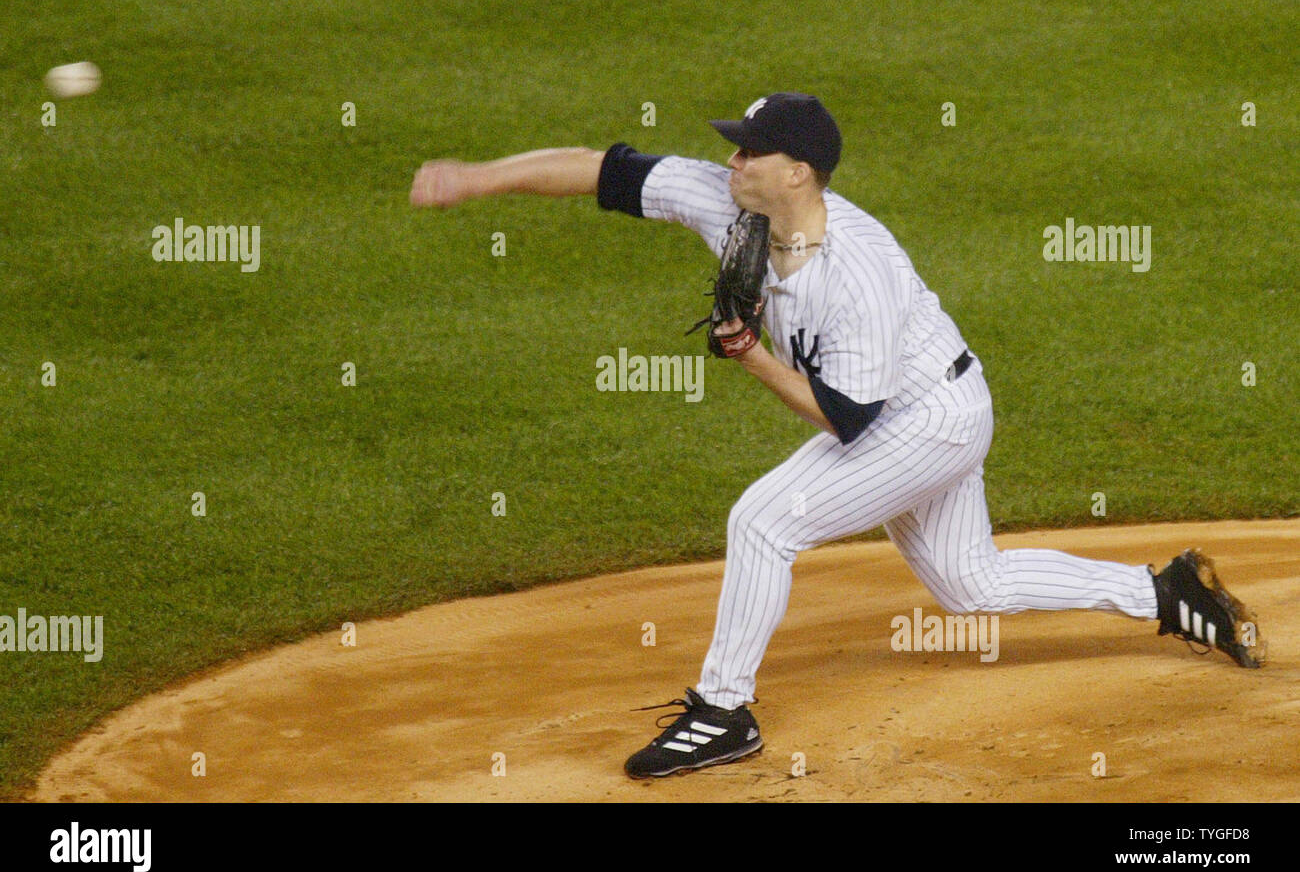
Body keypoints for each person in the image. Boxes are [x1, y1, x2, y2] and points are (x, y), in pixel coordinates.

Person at [410, 92, 1265, 780]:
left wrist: (745, 353)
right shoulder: (729, 198)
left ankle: (722, 710)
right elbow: (603, 169)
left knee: (763, 518)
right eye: (735, 146)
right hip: (919, 407)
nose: (732, 160)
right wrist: (477, 178)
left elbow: (846, 419)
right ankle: (1168, 592)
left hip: (928, 419)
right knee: (970, 584)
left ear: (800, 172)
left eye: (750, 150)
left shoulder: (857, 269)